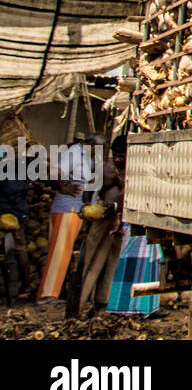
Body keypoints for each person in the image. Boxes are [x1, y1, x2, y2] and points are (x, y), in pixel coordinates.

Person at [37, 135, 93, 304]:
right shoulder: (75, 153)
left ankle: (55, 292)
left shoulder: (84, 155)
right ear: (87, 143)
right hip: (67, 208)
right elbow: (54, 172)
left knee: (65, 251)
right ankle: (47, 294)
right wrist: (63, 187)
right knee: (59, 251)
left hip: (75, 208)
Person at [77, 135, 125, 316]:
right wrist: (87, 209)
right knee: (91, 258)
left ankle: (101, 303)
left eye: (123, 155)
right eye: (117, 156)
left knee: (111, 261)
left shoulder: (131, 167)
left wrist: (119, 216)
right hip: (103, 217)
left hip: (118, 220)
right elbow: (88, 191)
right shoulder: (105, 168)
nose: (119, 159)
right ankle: (80, 302)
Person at [0, 146, 33, 298]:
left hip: (5, 216)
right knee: (20, 249)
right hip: (20, 216)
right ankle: (26, 284)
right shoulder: (21, 173)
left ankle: (10, 287)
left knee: (8, 251)